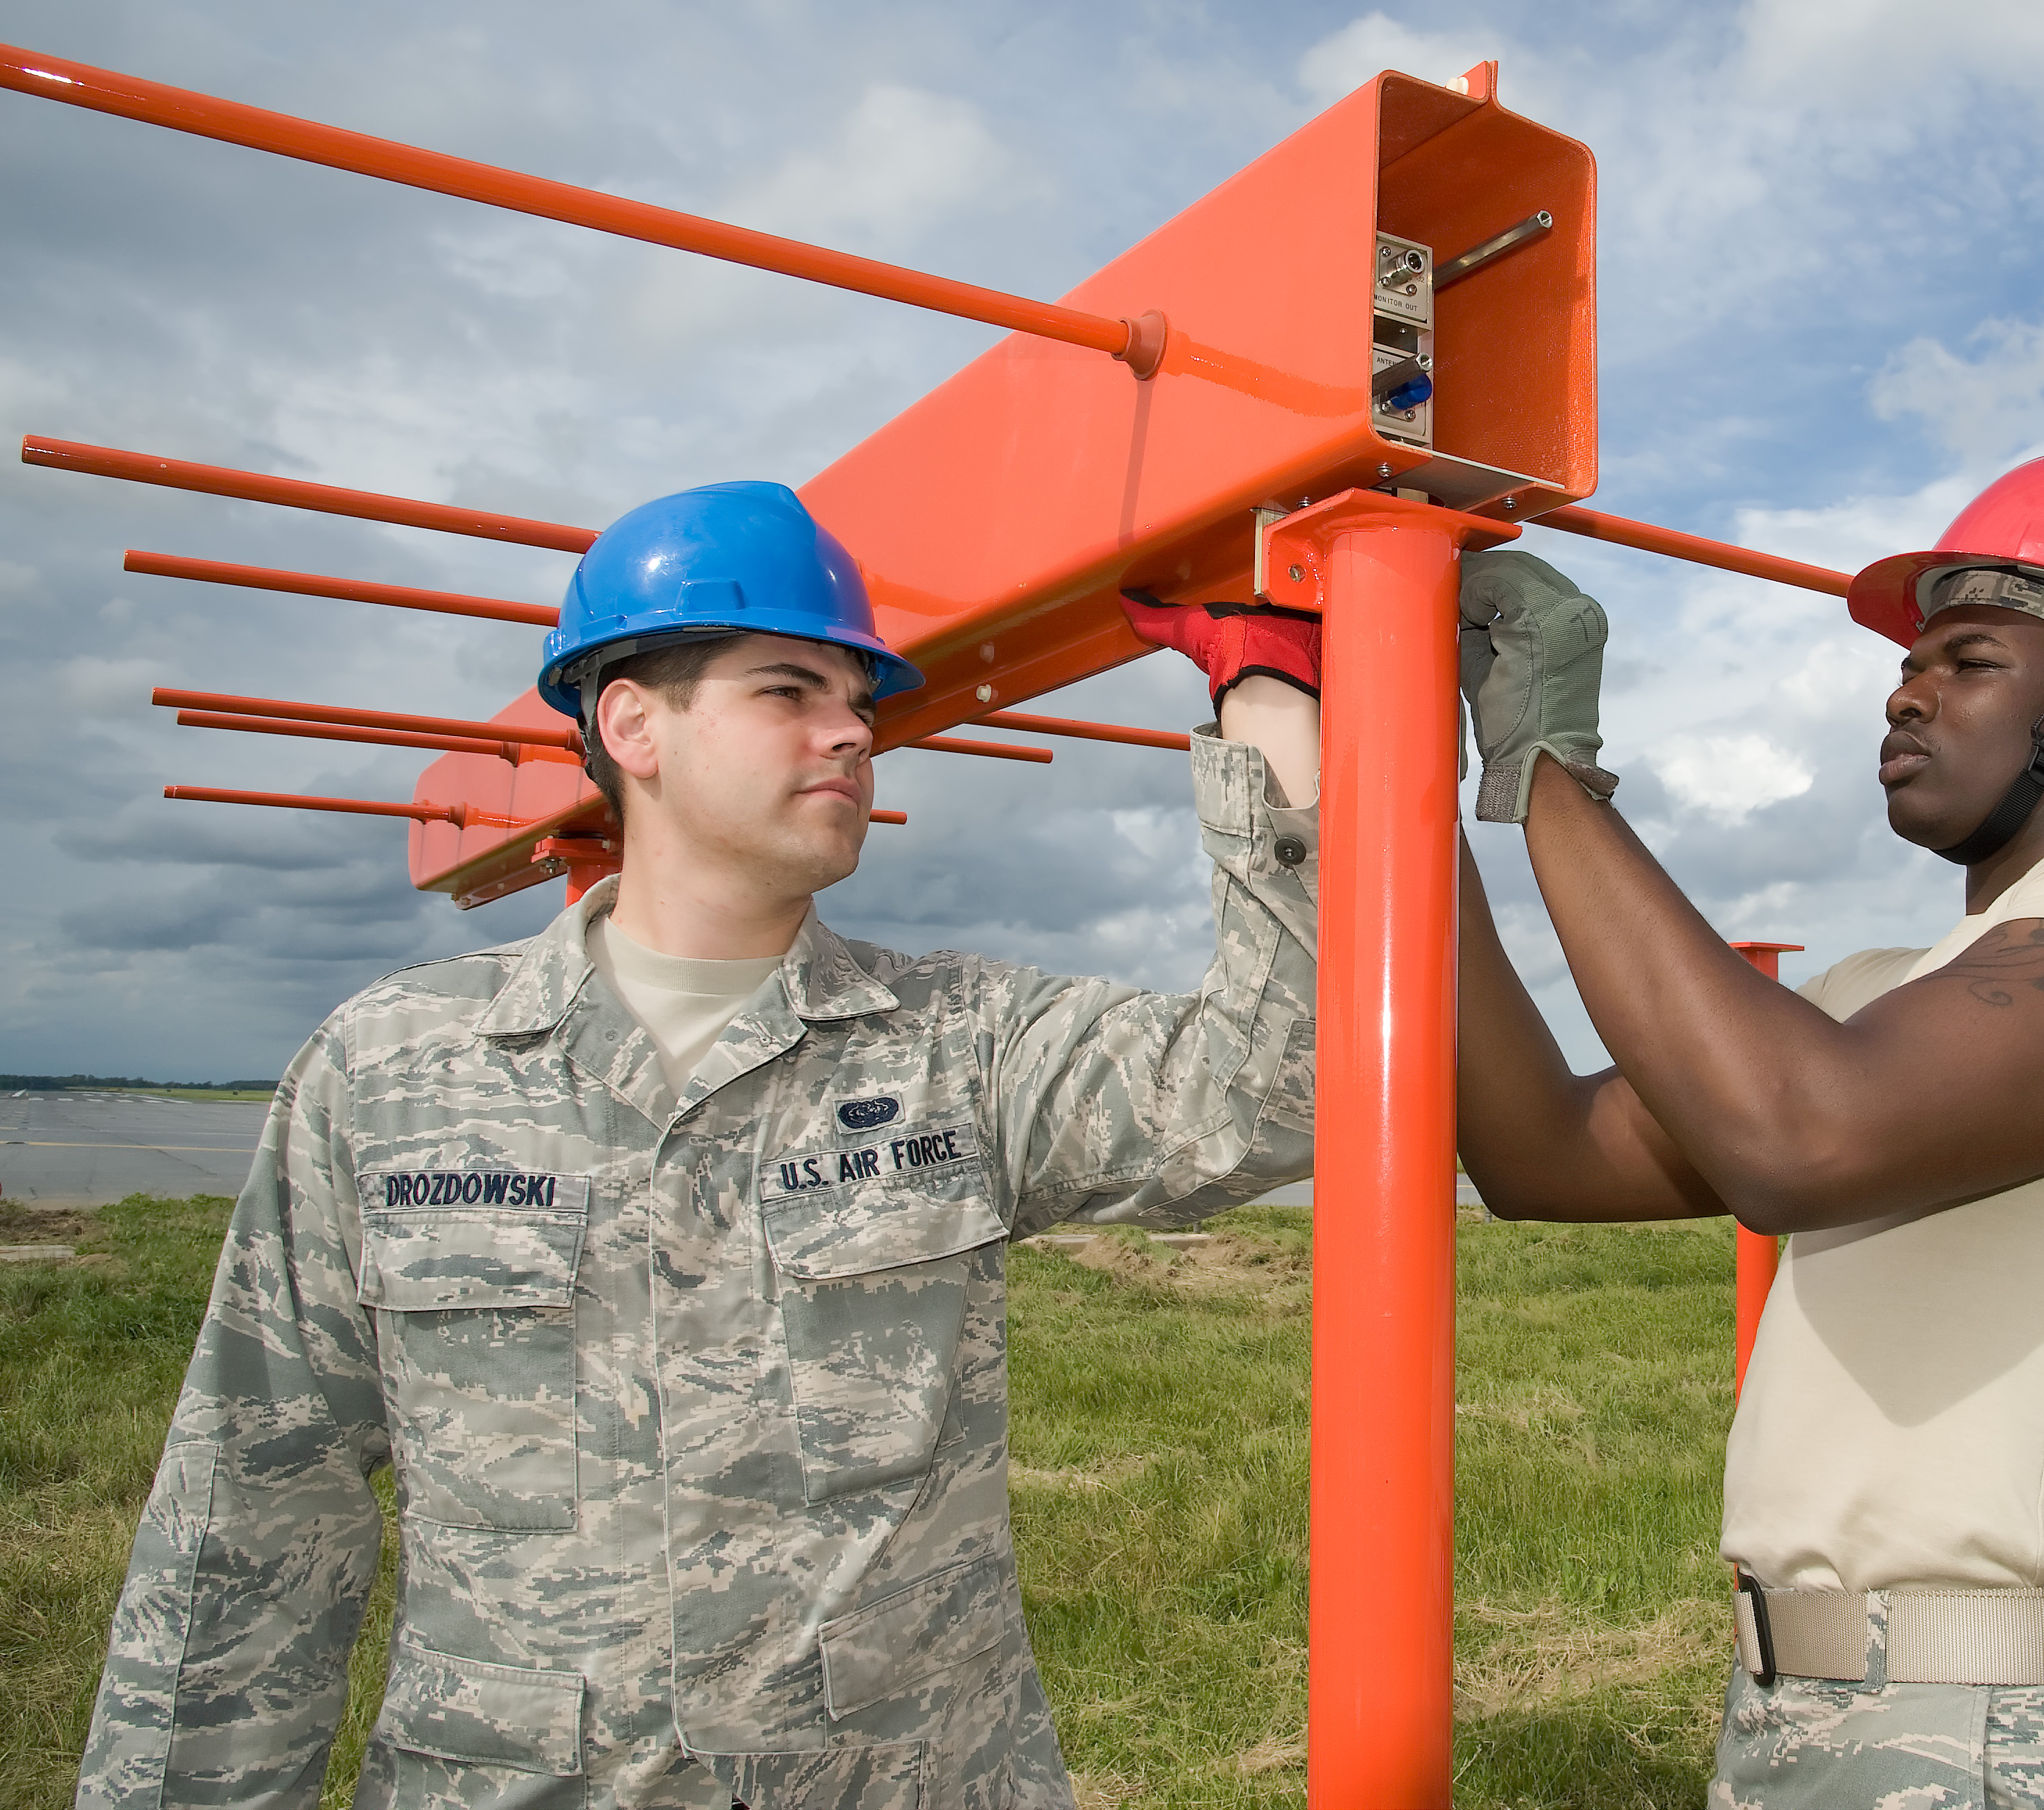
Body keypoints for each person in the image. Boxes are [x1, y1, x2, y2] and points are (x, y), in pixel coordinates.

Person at [78, 481, 1324, 1810]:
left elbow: (1276, 1091)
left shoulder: (958, 1043)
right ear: (632, 723)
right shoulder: (393, 1071)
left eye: (858, 700)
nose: (854, 732)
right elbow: (253, 1505)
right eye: (787, 690)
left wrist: (1266, 688)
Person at [1453, 449, 2044, 1808]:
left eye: (1968, 661)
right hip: (1847, 1712)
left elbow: (1795, 1137)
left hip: (2003, 1727)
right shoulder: (1876, 1003)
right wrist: (1375, 791)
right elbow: (1537, 1153)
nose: (1904, 691)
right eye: (1912, 664)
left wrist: (1546, 765)